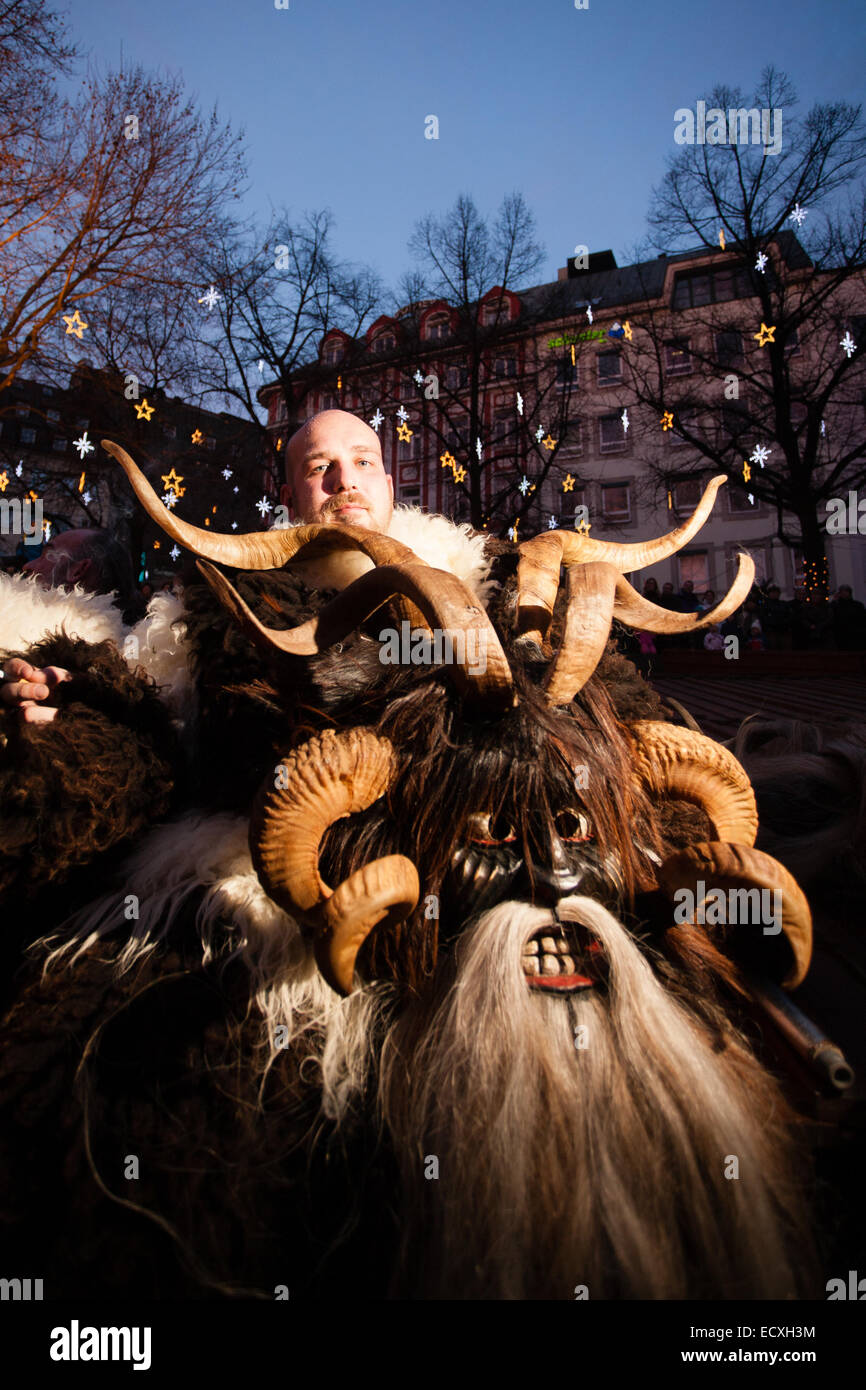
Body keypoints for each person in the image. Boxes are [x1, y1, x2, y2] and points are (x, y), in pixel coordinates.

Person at [829, 584, 866, 651]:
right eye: (842, 592)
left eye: (846, 591)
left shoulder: (858, 605)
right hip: (841, 636)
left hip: (856, 635)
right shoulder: (835, 606)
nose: (845, 594)